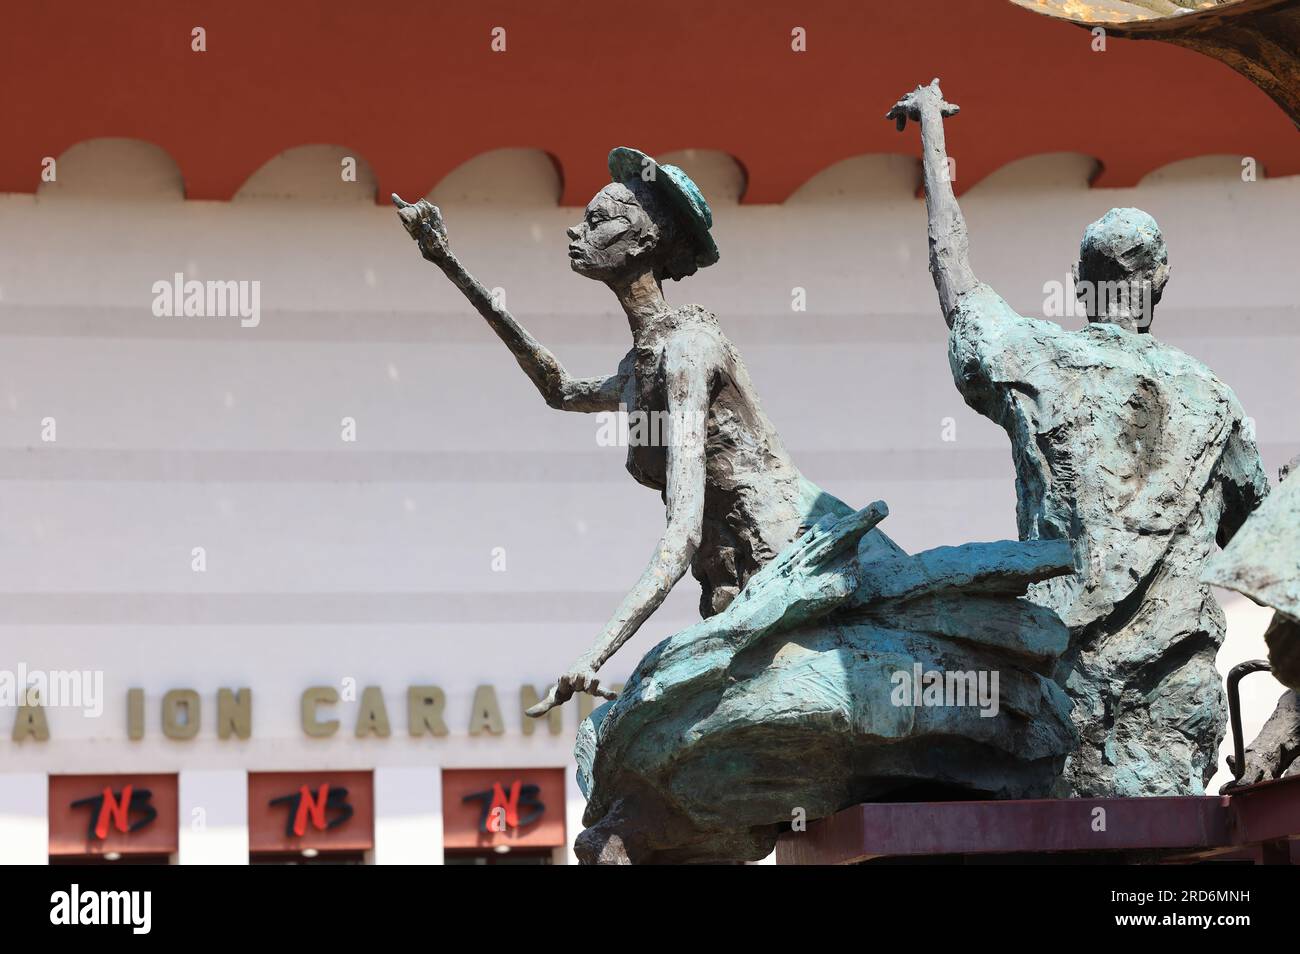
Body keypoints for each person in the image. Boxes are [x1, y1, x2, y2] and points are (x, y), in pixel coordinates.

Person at [394, 147, 899, 716]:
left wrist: (595, 653)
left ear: (642, 242)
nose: (574, 230)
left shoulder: (688, 349)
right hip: (731, 577)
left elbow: (683, 528)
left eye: (597, 220)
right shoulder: (642, 364)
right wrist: (448, 262)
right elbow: (558, 389)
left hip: (789, 556)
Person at [888, 79, 1269, 796]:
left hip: (1068, 673)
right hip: (1178, 676)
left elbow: (956, 281)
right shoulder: (1219, 402)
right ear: (1160, 281)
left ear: (1080, 283)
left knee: (1069, 832)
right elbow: (1263, 547)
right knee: (1169, 850)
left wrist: (934, 141)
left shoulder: (1037, 361)